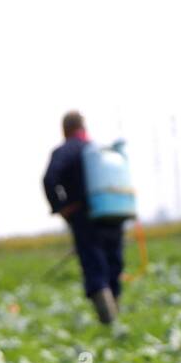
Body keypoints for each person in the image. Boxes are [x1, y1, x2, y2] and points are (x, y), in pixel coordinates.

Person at [43, 111, 124, 324]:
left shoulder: (65, 151)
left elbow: (49, 179)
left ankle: (109, 321)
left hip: (85, 218)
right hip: (113, 215)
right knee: (113, 265)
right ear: (83, 127)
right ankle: (116, 320)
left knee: (95, 267)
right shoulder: (100, 150)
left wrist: (61, 208)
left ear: (65, 130)